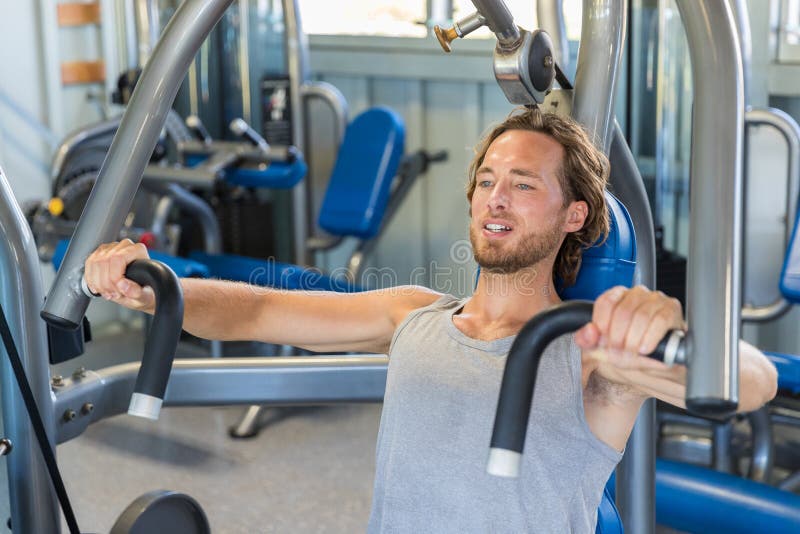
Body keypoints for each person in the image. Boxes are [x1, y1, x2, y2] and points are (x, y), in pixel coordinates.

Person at [85, 106, 778, 533]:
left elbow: (752, 383)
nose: (495, 200)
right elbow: (261, 308)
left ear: (575, 217)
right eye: (487, 181)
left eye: (524, 184)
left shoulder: (589, 349)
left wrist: (661, 331)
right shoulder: (414, 313)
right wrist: (158, 290)